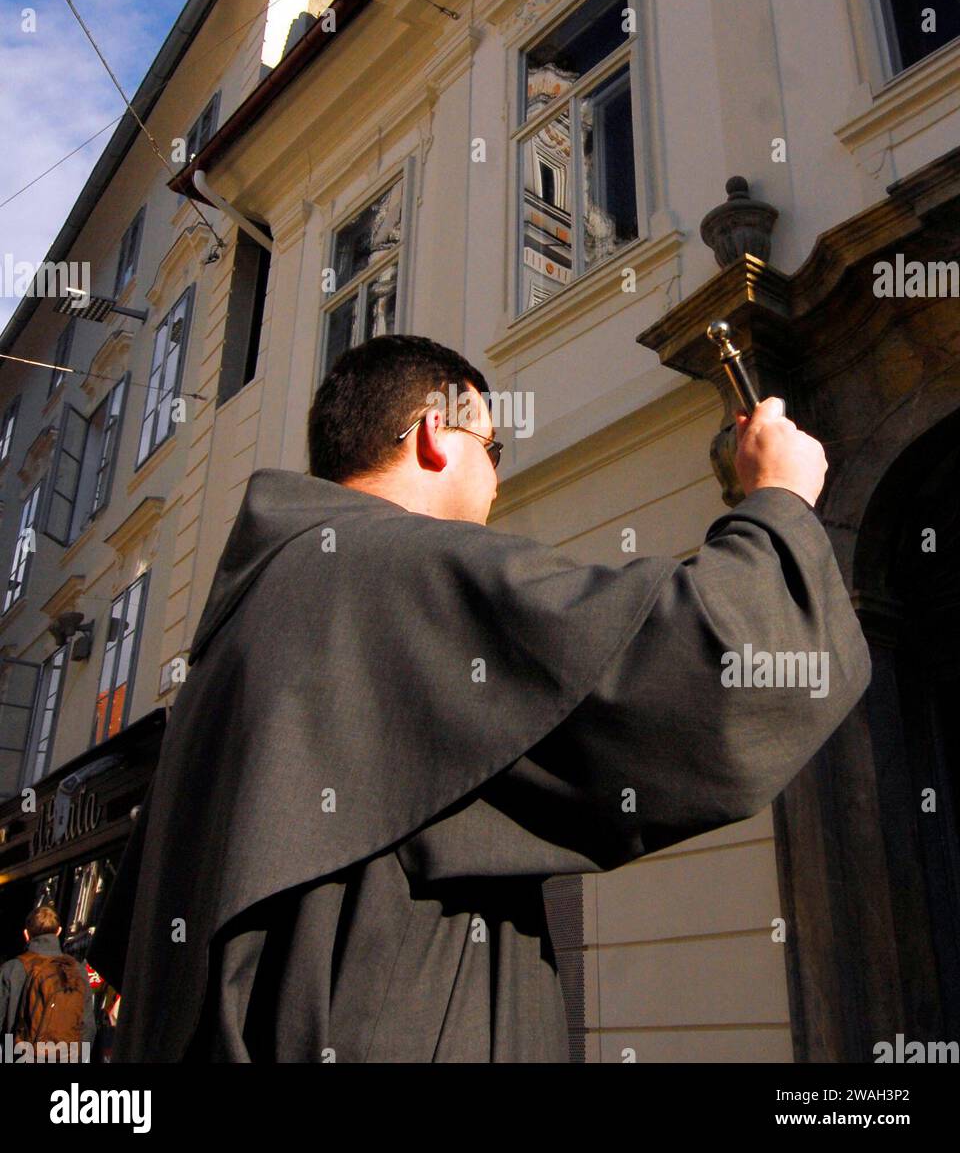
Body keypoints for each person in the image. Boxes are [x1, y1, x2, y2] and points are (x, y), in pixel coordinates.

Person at [87, 333, 873, 1062]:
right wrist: (778, 500)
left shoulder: (238, 634)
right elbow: (712, 661)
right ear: (436, 434)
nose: (497, 477)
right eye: (491, 448)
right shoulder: (395, 573)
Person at [0, 904, 97, 1059]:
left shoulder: (12, 969)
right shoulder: (76, 971)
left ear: (26, 934)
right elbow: (88, 1028)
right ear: (58, 932)